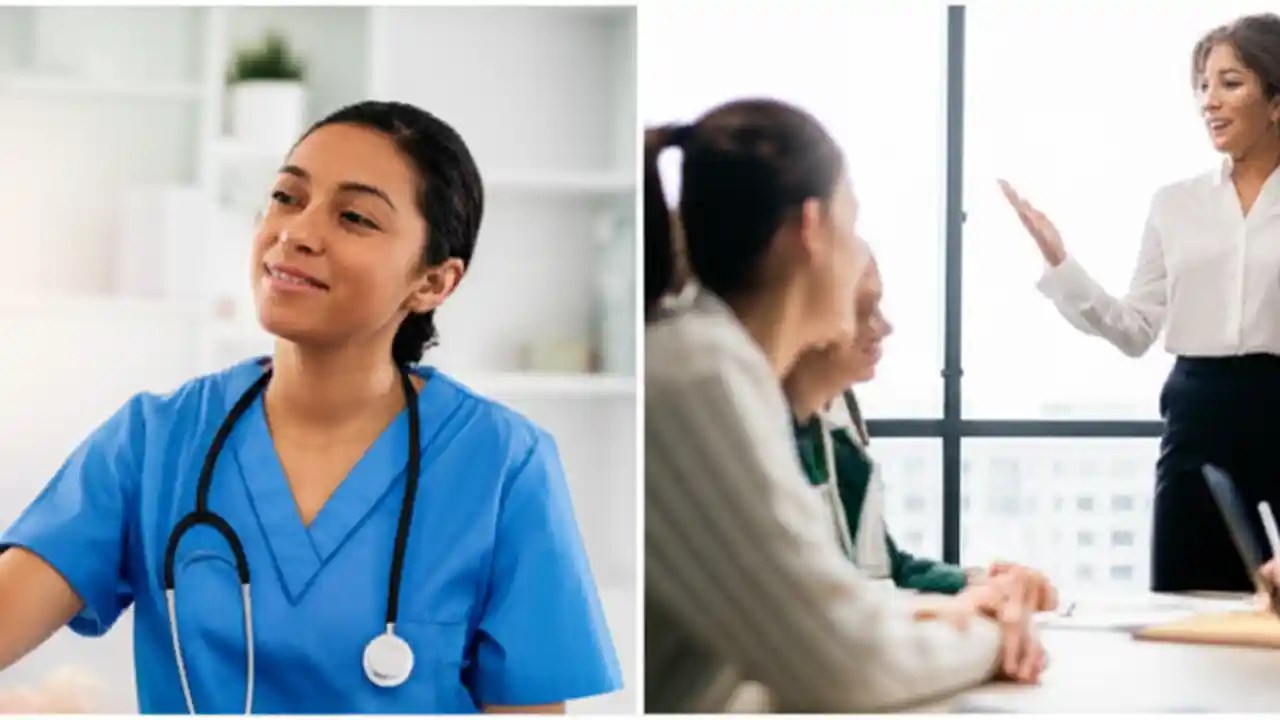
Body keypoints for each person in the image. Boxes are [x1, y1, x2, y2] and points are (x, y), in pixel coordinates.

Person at [0, 101, 621, 713]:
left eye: (353, 217)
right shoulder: (155, 442)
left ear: (433, 282)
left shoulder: (503, 464)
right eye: (286, 198)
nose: (296, 232)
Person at [645, 98, 1045, 714]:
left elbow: (810, 612)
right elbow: (846, 668)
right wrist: (992, 640)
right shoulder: (700, 374)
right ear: (812, 229)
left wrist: (948, 612)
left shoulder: (716, 365)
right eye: (852, 224)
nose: (859, 255)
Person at [999, 12, 1280, 592]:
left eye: (1231, 83)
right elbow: (1134, 331)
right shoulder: (1175, 204)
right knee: (1192, 603)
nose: (1210, 101)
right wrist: (1060, 263)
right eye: (1203, 85)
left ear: (1275, 99)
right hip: (1199, 414)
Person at [784, 255, 1058, 610]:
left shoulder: (836, 438)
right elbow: (832, 609)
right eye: (864, 309)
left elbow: (883, 568)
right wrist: (969, 611)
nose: (885, 328)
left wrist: (982, 583)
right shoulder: (774, 438)